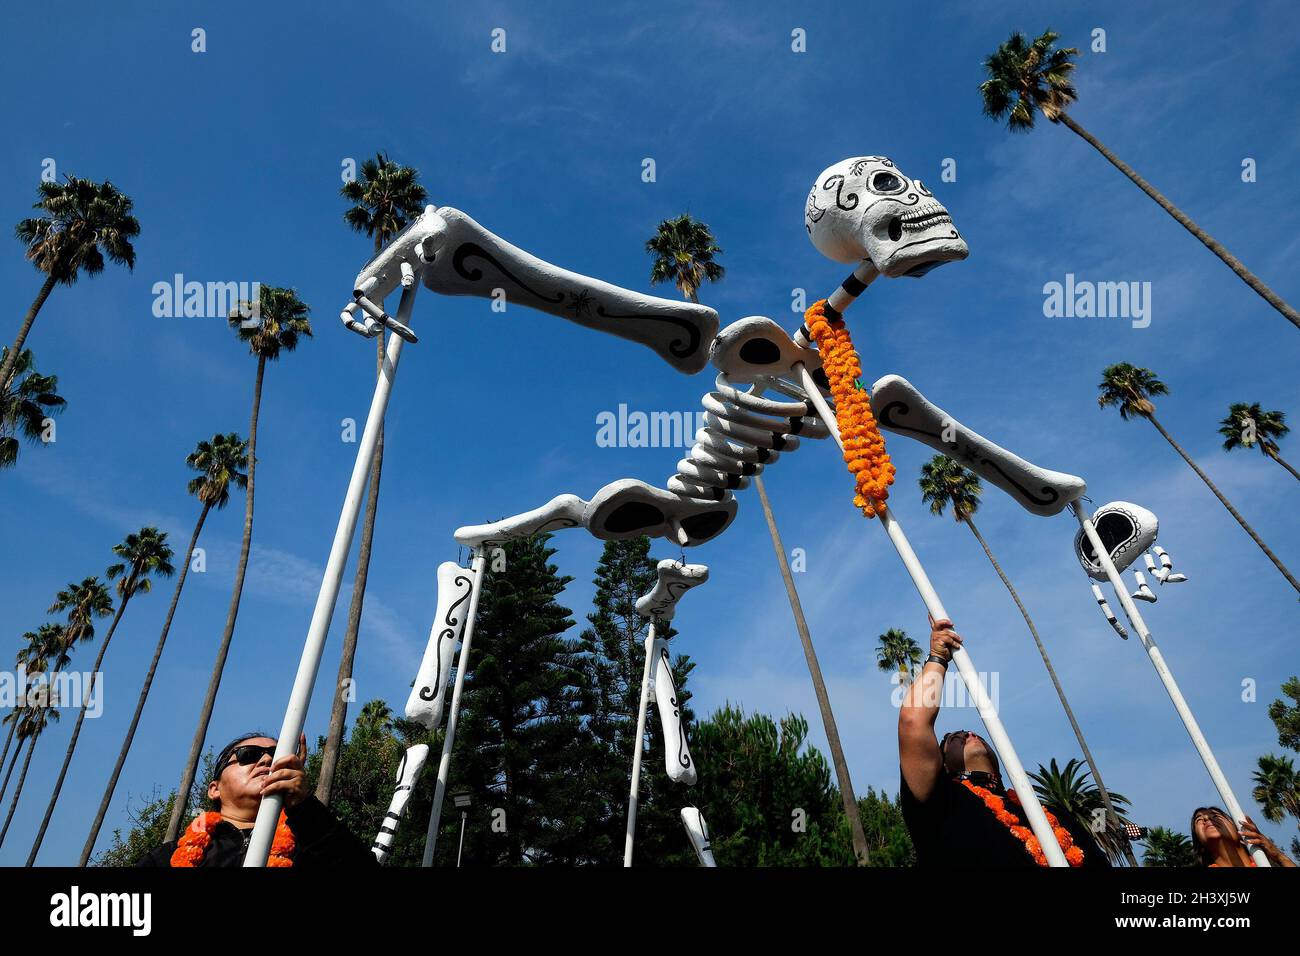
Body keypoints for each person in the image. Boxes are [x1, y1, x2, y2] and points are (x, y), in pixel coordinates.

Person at [898, 617, 1110, 867]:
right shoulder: (939, 803)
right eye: (954, 738)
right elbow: (913, 721)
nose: (968, 734)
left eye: (972, 733)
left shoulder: (1053, 815)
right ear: (942, 765)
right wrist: (938, 658)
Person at [139, 731, 377, 867]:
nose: (266, 761)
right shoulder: (168, 857)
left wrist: (303, 806)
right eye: (249, 755)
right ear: (214, 789)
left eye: (276, 756)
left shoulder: (312, 844)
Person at [1190, 805, 1296, 867]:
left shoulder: (1264, 863)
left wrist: (1278, 855)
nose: (1206, 818)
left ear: (1239, 830)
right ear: (1199, 844)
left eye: (1215, 815)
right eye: (1198, 819)